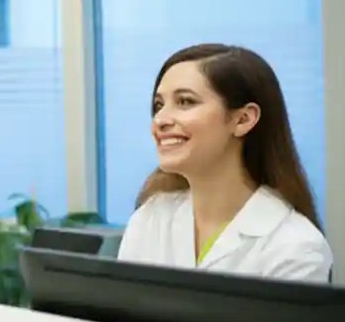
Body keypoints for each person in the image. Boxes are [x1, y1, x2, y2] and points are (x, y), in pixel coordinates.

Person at [117, 44, 332, 282]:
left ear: (243, 119)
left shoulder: (296, 247)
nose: (161, 120)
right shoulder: (150, 218)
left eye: (186, 102)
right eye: (159, 105)